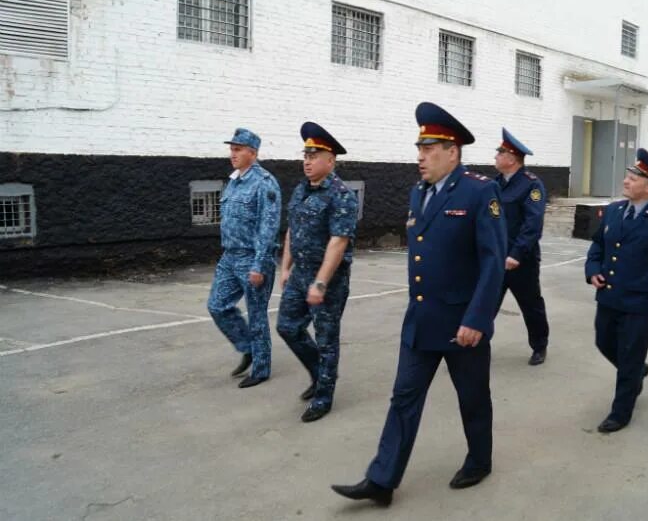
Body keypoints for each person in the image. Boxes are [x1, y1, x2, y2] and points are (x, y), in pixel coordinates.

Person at [331, 102, 507, 506]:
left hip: (463, 324)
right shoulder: (418, 193)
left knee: (473, 397)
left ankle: (480, 460)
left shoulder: (481, 192)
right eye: (419, 148)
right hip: (423, 321)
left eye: (429, 148)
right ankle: (382, 480)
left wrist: (477, 319)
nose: (420, 156)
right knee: (403, 399)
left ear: (452, 152)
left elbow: (493, 263)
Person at [585, 148, 648, 433]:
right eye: (627, 176)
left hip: (640, 302)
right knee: (604, 342)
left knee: (629, 355)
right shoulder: (614, 211)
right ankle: (637, 370)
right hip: (609, 296)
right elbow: (597, 247)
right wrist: (592, 271)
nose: (626, 181)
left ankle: (620, 412)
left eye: (633, 178)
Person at [276, 122, 358, 423]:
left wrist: (321, 282)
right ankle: (319, 372)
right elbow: (291, 231)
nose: (307, 161)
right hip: (299, 275)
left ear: (331, 160)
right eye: (305, 155)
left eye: (315, 155)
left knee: (326, 338)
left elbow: (338, 243)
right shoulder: (301, 189)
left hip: (330, 280)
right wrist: (284, 268)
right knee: (287, 326)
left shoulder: (342, 195)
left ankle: (324, 394)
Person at [207, 128, 281, 388]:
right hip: (230, 256)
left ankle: (261, 369)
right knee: (217, 305)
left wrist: (260, 264)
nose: (232, 154)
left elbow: (268, 227)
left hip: (253, 258)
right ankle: (248, 346)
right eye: (232, 149)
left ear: (253, 153)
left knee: (257, 314)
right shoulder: (234, 180)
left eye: (238, 149)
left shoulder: (264, 183)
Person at [493, 128, 550, 366]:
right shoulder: (494, 184)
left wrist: (516, 254)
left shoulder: (531, 185)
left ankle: (539, 346)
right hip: (495, 258)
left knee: (530, 305)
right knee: (484, 304)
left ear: (512, 158)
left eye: (500, 152)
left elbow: (532, 224)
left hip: (521, 261)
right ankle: (472, 346)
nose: (496, 156)